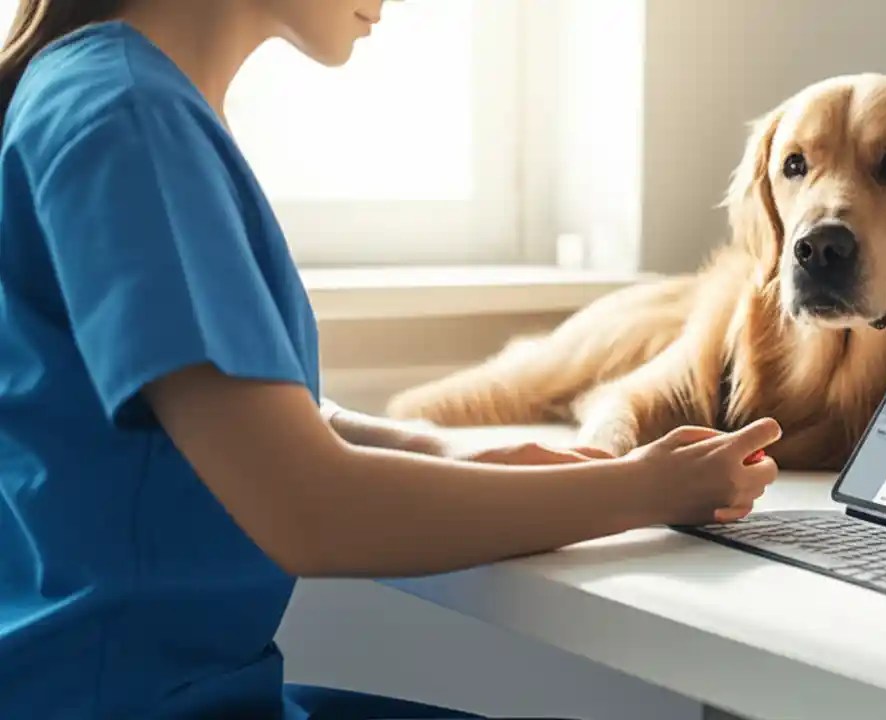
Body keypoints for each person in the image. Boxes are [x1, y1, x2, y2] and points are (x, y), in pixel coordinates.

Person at [0, 1, 783, 718]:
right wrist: (642, 489)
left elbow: (240, 415)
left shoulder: (116, 94)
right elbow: (310, 511)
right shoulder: (129, 119)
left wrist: (436, 447)